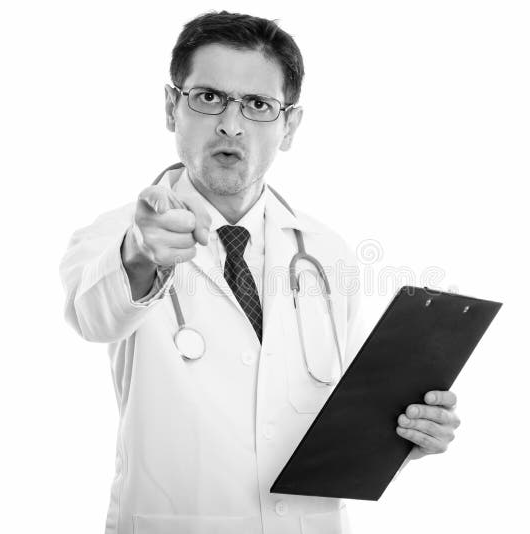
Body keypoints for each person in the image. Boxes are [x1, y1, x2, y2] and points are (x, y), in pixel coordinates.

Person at [59, 11, 460, 534]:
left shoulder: (326, 252)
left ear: (289, 125)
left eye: (258, 104)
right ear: (170, 107)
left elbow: (325, 414)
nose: (231, 123)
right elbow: (92, 316)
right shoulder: (114, 234)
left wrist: (402, 435)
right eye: (207, 97)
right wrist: (140, 256)